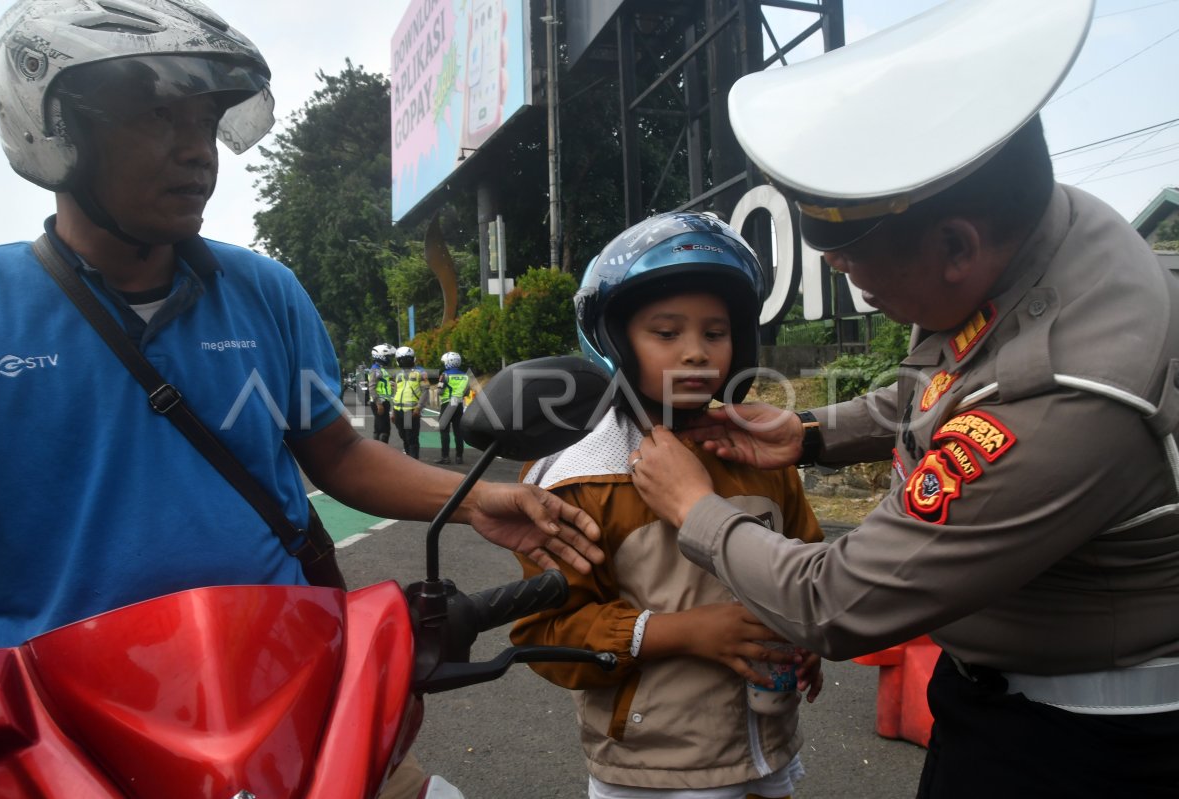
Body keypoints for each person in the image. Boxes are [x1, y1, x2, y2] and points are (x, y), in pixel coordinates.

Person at [627, 1, 1179, 797]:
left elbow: (834, 600)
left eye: (856, 261)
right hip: (1003, 694)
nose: (846, 276)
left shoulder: (1063, 393)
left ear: (955, 246)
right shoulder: (1040, 231)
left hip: (1080, 744)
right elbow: (944, 380)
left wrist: (695, 509)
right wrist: (811, 432)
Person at [0, 0, 604, 684]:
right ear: (57, 129)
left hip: (280, 673)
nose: (198, 151)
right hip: (50, 705)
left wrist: (476, 499)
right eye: (158, 115)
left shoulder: (264, 290)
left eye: (206, 122)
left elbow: (337, 451)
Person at [511, 212, 825, 799]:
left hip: (769, 750)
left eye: (715, 333)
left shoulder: (758, 455)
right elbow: (549, 634)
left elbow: (809, 569)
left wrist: (805, 638)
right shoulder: (579, 476)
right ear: (614, 340)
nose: (696, 353)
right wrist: (682, 633)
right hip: (653, 770)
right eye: (666, 333)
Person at [390, 345, 427, 459]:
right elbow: (396, 393)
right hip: (398, 410)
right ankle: (408, 459)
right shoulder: (398, 375)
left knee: (411, 438)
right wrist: (393, 411)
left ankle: (413, 461)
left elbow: (425, 391)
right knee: (404, 436)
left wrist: (418, 407)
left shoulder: (421, 373)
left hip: (410, 410)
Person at [436, 350, 469, 464]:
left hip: (447, 404)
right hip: (458, 405)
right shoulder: (465, 376)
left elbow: (440, 391)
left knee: (444, 431)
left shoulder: (444, 375)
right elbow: (467, 392)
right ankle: (459, 457)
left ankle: (445, 457)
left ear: (449, 362)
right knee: (458, 432)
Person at [369, 343, 395, 444]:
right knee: (384, 430)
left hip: (383, 401)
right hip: (380, 402)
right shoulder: (376, 370)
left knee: (379, 427)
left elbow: (383, 383)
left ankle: (377, 449)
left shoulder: (380, 369)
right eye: (387, 356)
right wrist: (379, 404)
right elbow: (372, 387)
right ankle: (381, 449)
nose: (389, 358)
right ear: (381, 356)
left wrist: (391, 384)